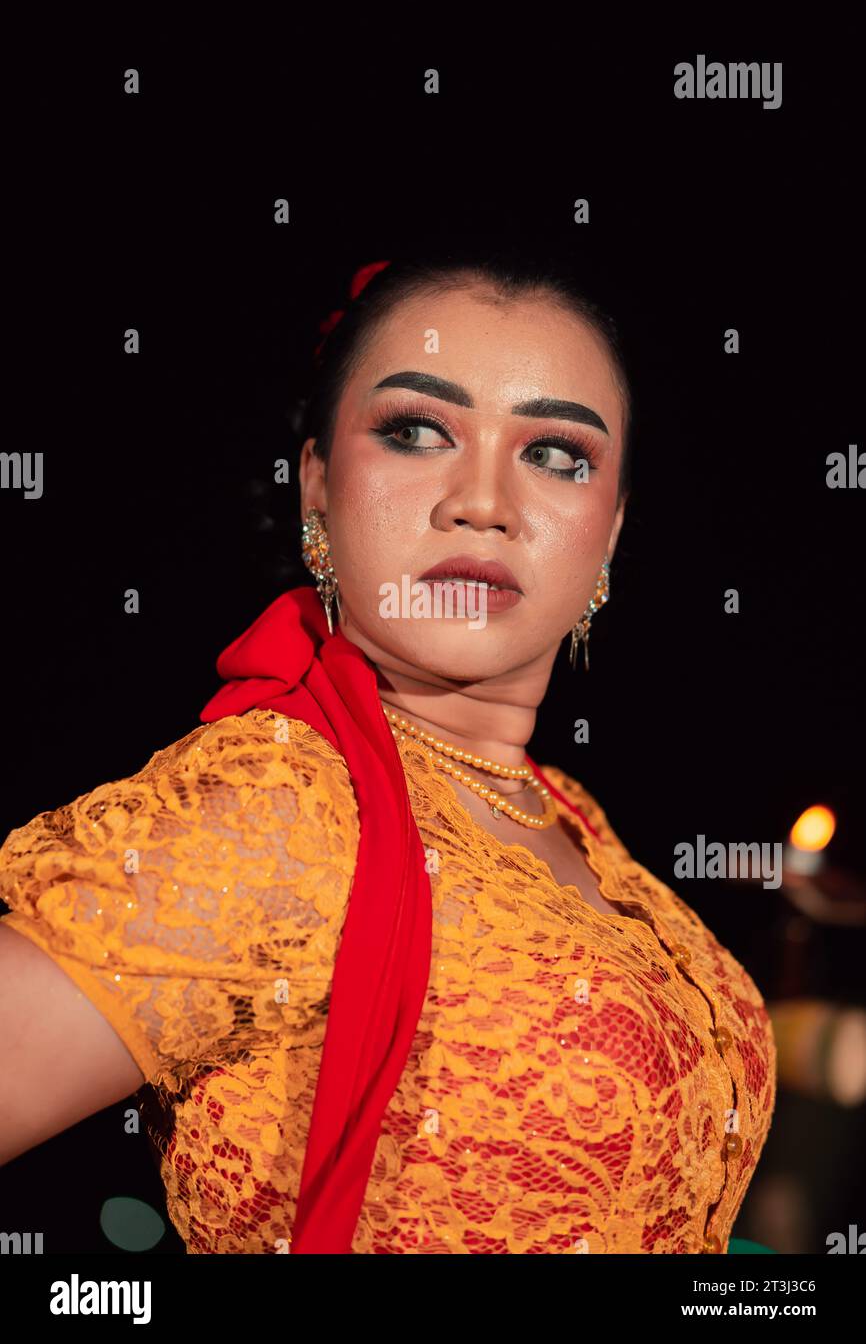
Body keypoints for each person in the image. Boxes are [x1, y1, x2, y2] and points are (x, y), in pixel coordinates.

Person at [0, 248, 776, 1254]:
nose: (483, 501)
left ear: (611, 529)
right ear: (315, 483)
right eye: (415, 431)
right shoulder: (278, 808)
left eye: (556, 455)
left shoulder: (568, 815)